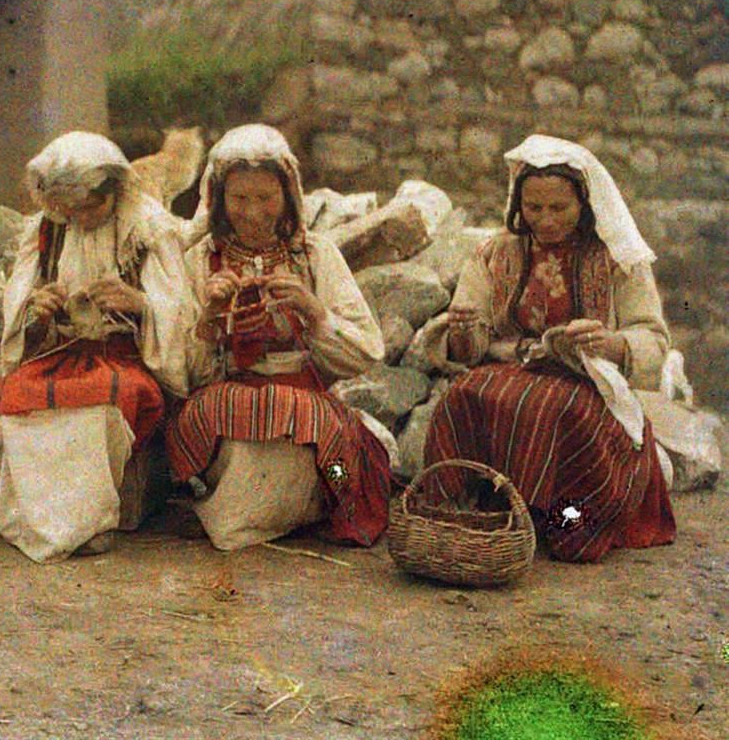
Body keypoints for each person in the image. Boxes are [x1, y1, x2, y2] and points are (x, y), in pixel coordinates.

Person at [424, 134, 676, 562]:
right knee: (460, 397)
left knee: (555, 409)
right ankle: (465, 513)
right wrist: (463, 329)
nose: (545, 220)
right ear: (517, 204)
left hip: (588, 383)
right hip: (513, 367)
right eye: (533, 207)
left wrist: (612, 343)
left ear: (585, 203)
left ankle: (564, 522)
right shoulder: (496, 253)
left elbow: (652, 336)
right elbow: (469, 346)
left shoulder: (618, 257)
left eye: (559, 208)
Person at [166, 125, 389, 551]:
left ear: (288, 195)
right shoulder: (199, 260)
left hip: (306, 406)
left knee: (336, 453)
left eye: (266, 198)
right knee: (202, 420)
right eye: (239, 199)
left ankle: (335, 496)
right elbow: (182, 375)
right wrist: (210, 317)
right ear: (217, 199)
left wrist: (314, 311)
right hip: (228, 405)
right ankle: (211, 496)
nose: (253, 213)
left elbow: (366, 352)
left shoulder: (316, 255)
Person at [0, 132, 193, 561]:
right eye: (70, 210)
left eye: (91, 207)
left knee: (102, 403)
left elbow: (179, 310)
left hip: (124, 358)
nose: (81, 218)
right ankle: (24, 511)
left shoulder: (146, 228)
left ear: (116, 189)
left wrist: (139, 305)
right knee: (16, 397)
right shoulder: (46, 230)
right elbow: (19, 305)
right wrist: (37, 307)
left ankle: (90, 519)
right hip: (61, 352)